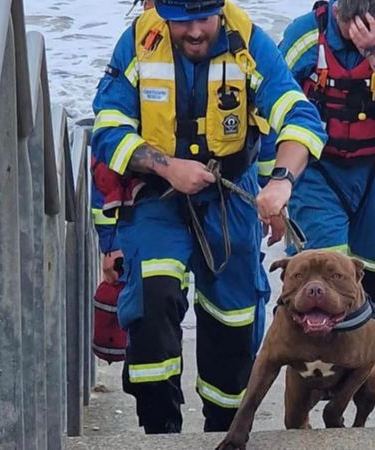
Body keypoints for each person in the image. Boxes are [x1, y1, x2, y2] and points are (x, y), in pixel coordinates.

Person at [90, 0, 326, 434]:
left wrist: (280, 184)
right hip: (156, 198)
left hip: (229, 199)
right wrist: (166, 167)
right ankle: (160, 433)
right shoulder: (139, 44)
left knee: (234, 320)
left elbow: (299, 117)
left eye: (203, 19)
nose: (195, 32)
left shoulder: (250, 44)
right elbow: (107, 128)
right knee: (152, 297)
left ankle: (224, 430)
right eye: (182, 22)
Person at [259, 0, 375, 341]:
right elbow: (268, 108)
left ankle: (366, 363)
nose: (354, 32)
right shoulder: (306, 35)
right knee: (322, 269)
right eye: (347, 22)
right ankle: (311, 361)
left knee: (373, 272)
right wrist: (273, 184)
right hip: (317, 171)